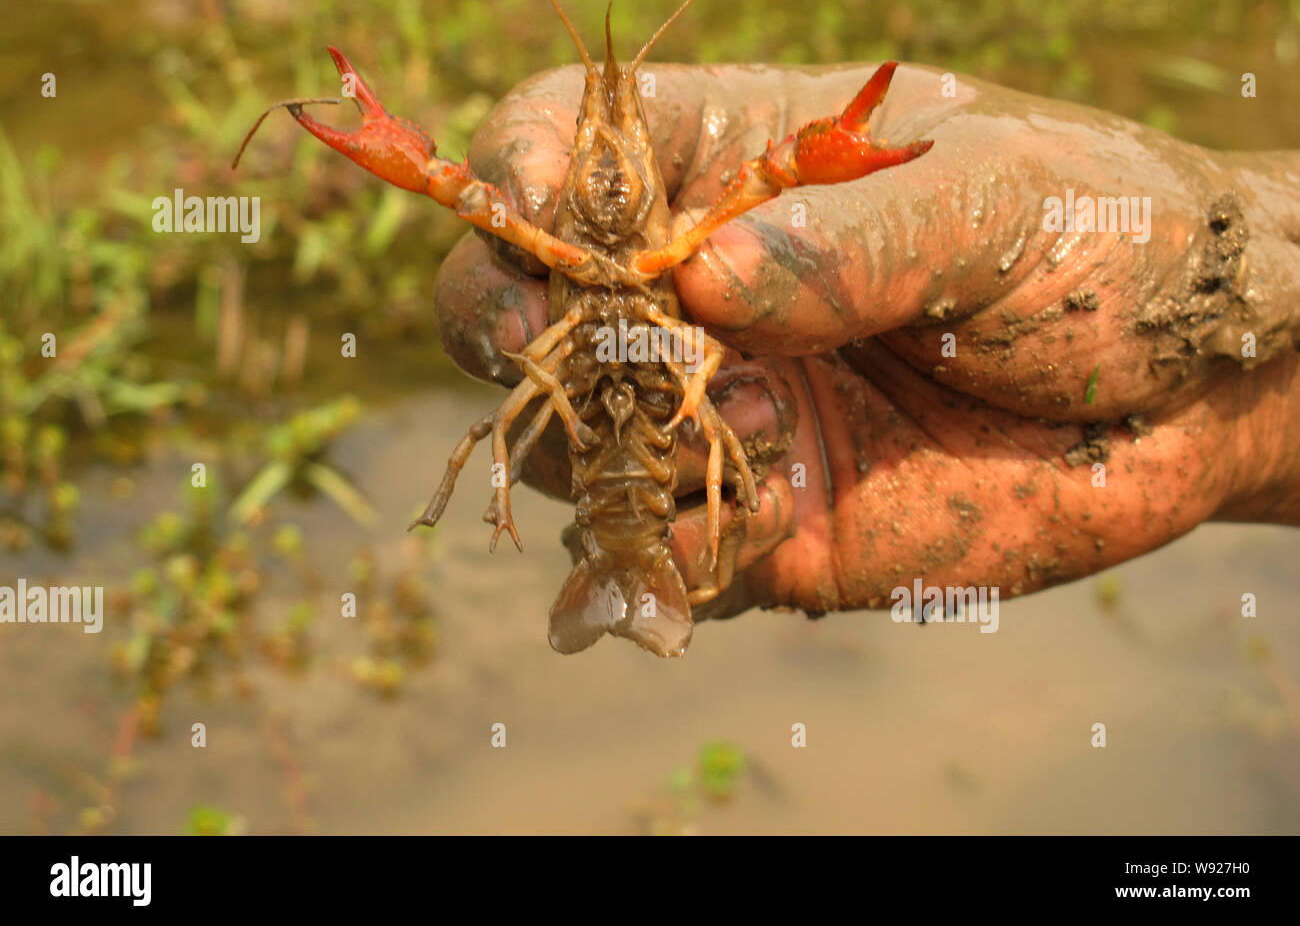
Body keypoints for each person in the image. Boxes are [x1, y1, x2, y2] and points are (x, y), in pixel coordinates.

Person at [433, 62, 1300, 621]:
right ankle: (621, 542)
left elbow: (765, 188)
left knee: (557, 390)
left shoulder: (693, 250)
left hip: (673, 399)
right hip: (632, 427)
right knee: (519, 384)